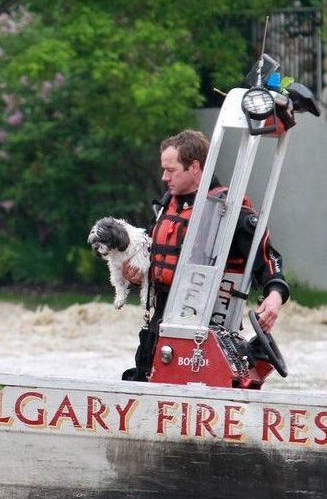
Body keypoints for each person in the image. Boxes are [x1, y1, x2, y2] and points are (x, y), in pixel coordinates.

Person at [123, 129, 289, 382]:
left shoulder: (230, 211)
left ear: (194, 167)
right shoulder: (167, 206)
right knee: (141, 378)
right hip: (159, 324)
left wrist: (275, 296)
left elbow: (268, 259)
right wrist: (136, 273)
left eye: (171, 170)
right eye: (163, 170)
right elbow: (156, 259)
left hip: (208, 327)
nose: (164, 177)